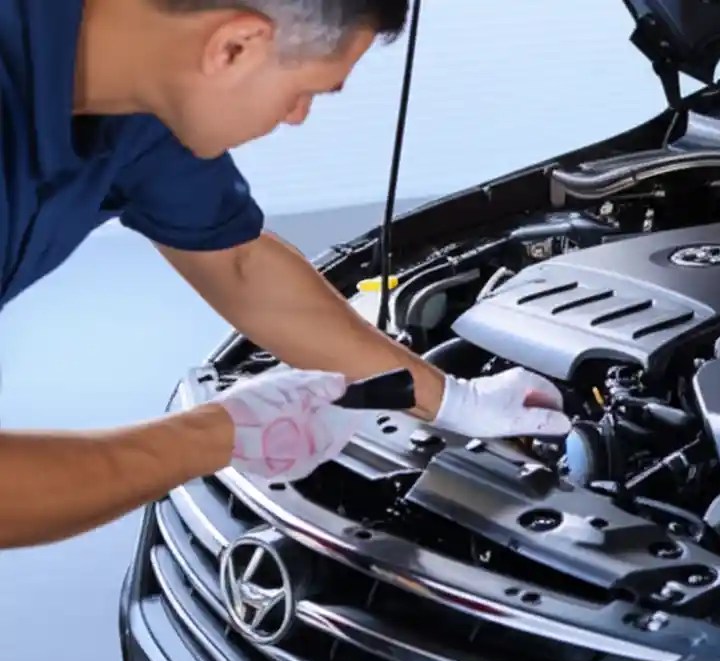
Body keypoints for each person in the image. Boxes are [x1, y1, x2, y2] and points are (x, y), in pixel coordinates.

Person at [0, 0, 573, 549]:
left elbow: (239, 264)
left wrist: (455, 401)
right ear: (235, 46)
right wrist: (217, 434)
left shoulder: (141, 100)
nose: (296, 117)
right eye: (307, 92)